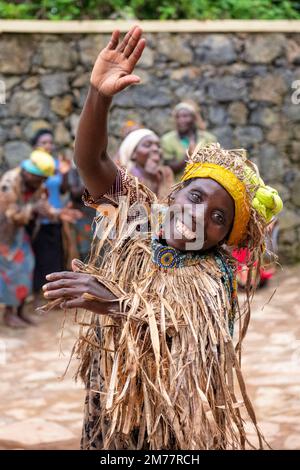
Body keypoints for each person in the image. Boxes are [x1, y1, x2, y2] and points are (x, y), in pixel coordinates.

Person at [42, 26, 283, 450]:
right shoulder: (142, 220)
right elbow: (92, 160)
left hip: (171, 424)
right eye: (193, 195)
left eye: (217, 217)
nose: (195, 214)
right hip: (109, 405)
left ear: (225, 237)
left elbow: (184, 328)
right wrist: (99, 96)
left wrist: (113, 300)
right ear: (175, 192)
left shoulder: (214, 272)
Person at [0, 152, 55, 328]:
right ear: (30, 174)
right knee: (11, 272)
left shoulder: (35, 184)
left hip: (18, 233)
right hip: (4, 233)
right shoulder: (9, 183)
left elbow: (42, 205)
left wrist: (52, 213)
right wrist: (33, 209)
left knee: (27, 266)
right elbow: (11, 213)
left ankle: (20, 311)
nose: (42, 183)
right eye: (40, 179)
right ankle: (9, 314)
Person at [30, 129, 71, 294]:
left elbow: (63, 190)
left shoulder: (55, 164)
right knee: (41, 257)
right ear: (35, 146)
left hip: (57, 218)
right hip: (40, 219)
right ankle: (40, 294)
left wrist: (65, 172)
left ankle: (54, 294)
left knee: (56, 256)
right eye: (44, 142)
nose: (49, 145)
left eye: (50, 142)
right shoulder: (32, 166)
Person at [161, 100, 217, 180]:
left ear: (194, 118)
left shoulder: (208, 138)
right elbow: (168, 169)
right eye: (178, 117)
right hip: (179, 185)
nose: (181, 120)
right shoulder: (167, 140)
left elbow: (215, 164)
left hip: (204, 182)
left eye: (185, 116)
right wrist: (187, 157)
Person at [119, 127, 174, 198]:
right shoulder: (125, 179)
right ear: (133, 154)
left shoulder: (165, 173)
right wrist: (148, 178)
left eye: (158, 146)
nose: (156, 149)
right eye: (147, 145)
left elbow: (169, 202)